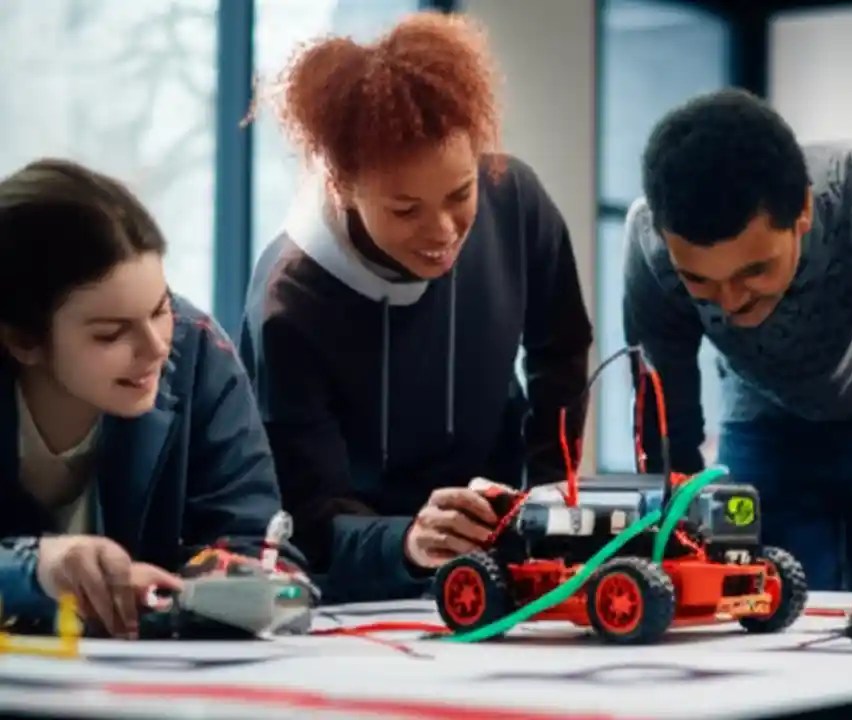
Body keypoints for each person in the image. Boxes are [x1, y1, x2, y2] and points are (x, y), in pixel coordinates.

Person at [239, 12, 592, 603]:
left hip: (494, 547)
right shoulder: (289, 302)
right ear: (341, 187)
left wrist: (551, 488)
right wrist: (409, 541)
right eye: (405, 210)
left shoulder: (514, 198)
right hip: (364, 580)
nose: (444, 231)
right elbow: (308, 515)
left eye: (460, 195)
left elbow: (560, 347)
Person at [623, 88, 852, 610]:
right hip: (766, 430)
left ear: (802, 209)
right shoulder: (648, 244)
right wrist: (671, 559)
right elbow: (667, 421)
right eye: (700, 281)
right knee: (752, 615)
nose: (730, 302)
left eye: (755, 270)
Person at [0, 159, 301, 638]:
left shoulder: (197, 354)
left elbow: (255, 543)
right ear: (22, 341)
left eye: (160, 308)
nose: (158, 347)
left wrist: (197, 591)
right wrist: (34, 571)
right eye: (111, 334)